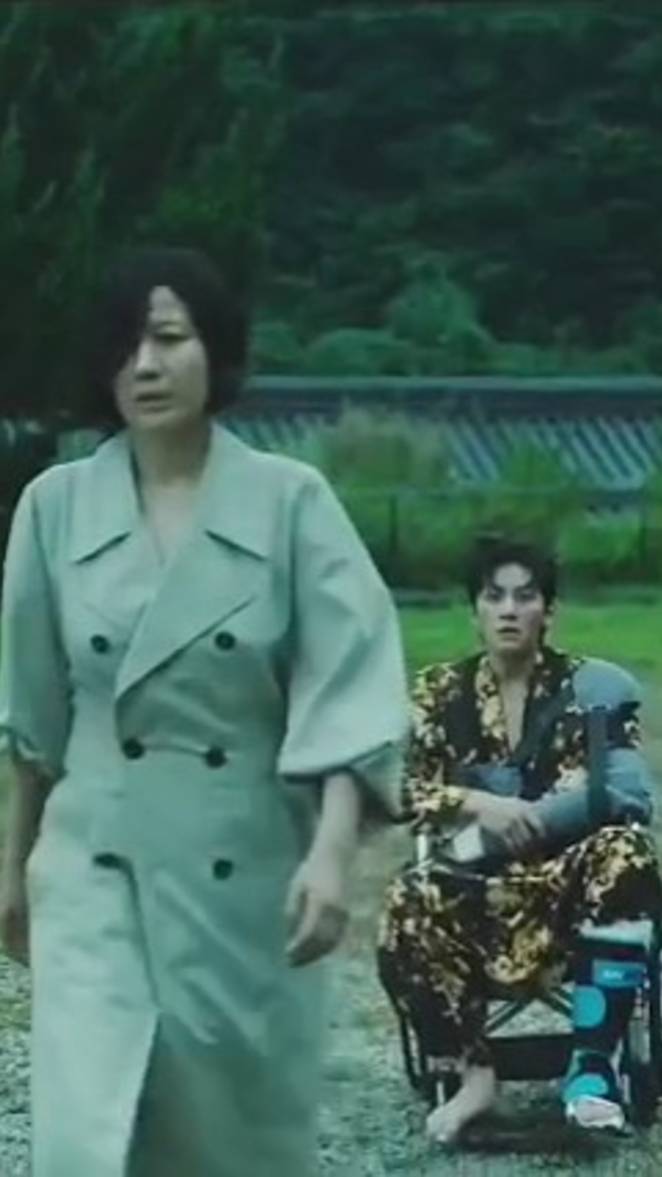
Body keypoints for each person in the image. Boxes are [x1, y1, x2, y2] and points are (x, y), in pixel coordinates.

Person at [0, 246, 409, 1177]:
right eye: (125, 346)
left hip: (245, 871)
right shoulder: (55, 507)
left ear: (214, 350)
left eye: (169, 338)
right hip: (94, 864)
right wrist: (15, 868)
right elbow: (33, 714)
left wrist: (332, 854)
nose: (145, 365)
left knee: (226, 1146)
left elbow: (348, 683)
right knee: (81, 1139)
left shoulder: (290, 501)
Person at [377, 535, 661, 1145]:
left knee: (629, 852)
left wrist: (543, 816)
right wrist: (481, 804)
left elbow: (630, 795)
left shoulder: (591, 690)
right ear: (475, 610)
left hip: (567, 892)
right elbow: (396, 792)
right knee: (406, 897)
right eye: (494, 596)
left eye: (525, 597)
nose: (509, 610)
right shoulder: (438, 694)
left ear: (548, 612)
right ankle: (474, 1074)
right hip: (472, 888)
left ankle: (592, 1071)